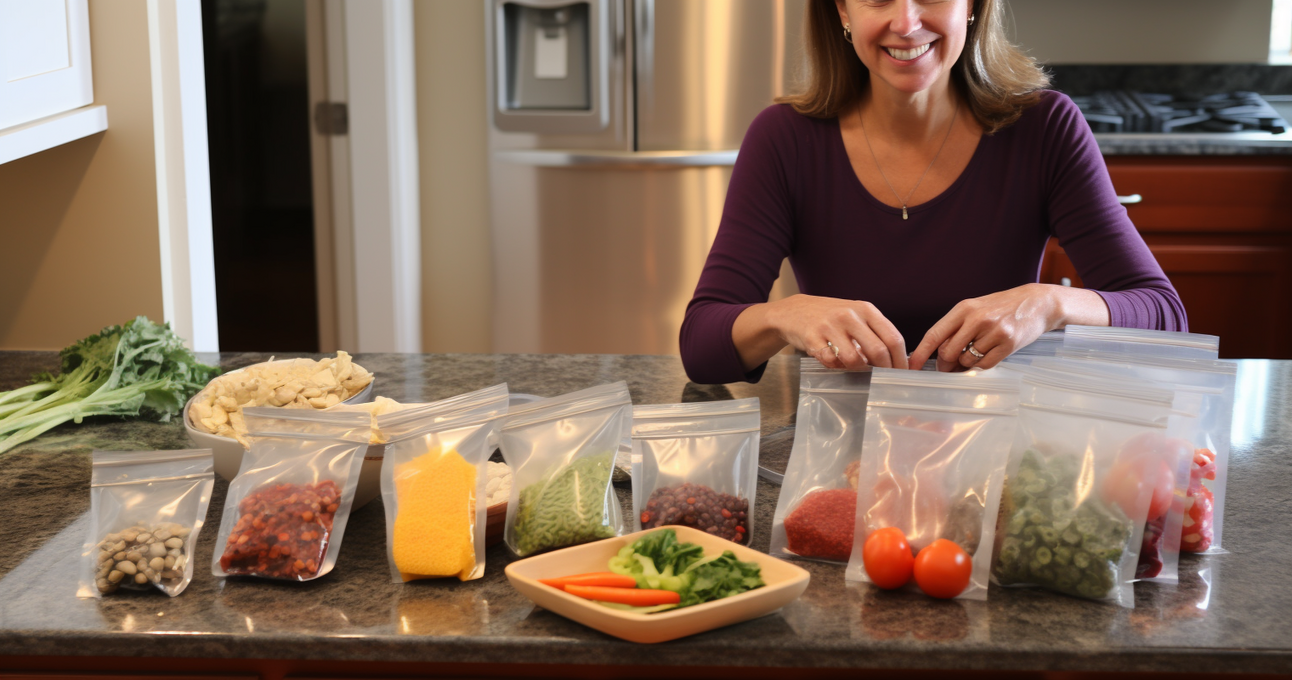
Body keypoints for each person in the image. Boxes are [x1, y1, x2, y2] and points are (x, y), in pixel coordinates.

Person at [679, 0, 1186, 384]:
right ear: (842, 11)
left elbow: (1165, 319)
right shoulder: (784, 138)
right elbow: (701, 346)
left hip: (996, 441)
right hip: (840, 448)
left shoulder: (1045, 127)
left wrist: (1047, 305)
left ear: (973, 8)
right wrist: (784, 315)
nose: (906, 22)